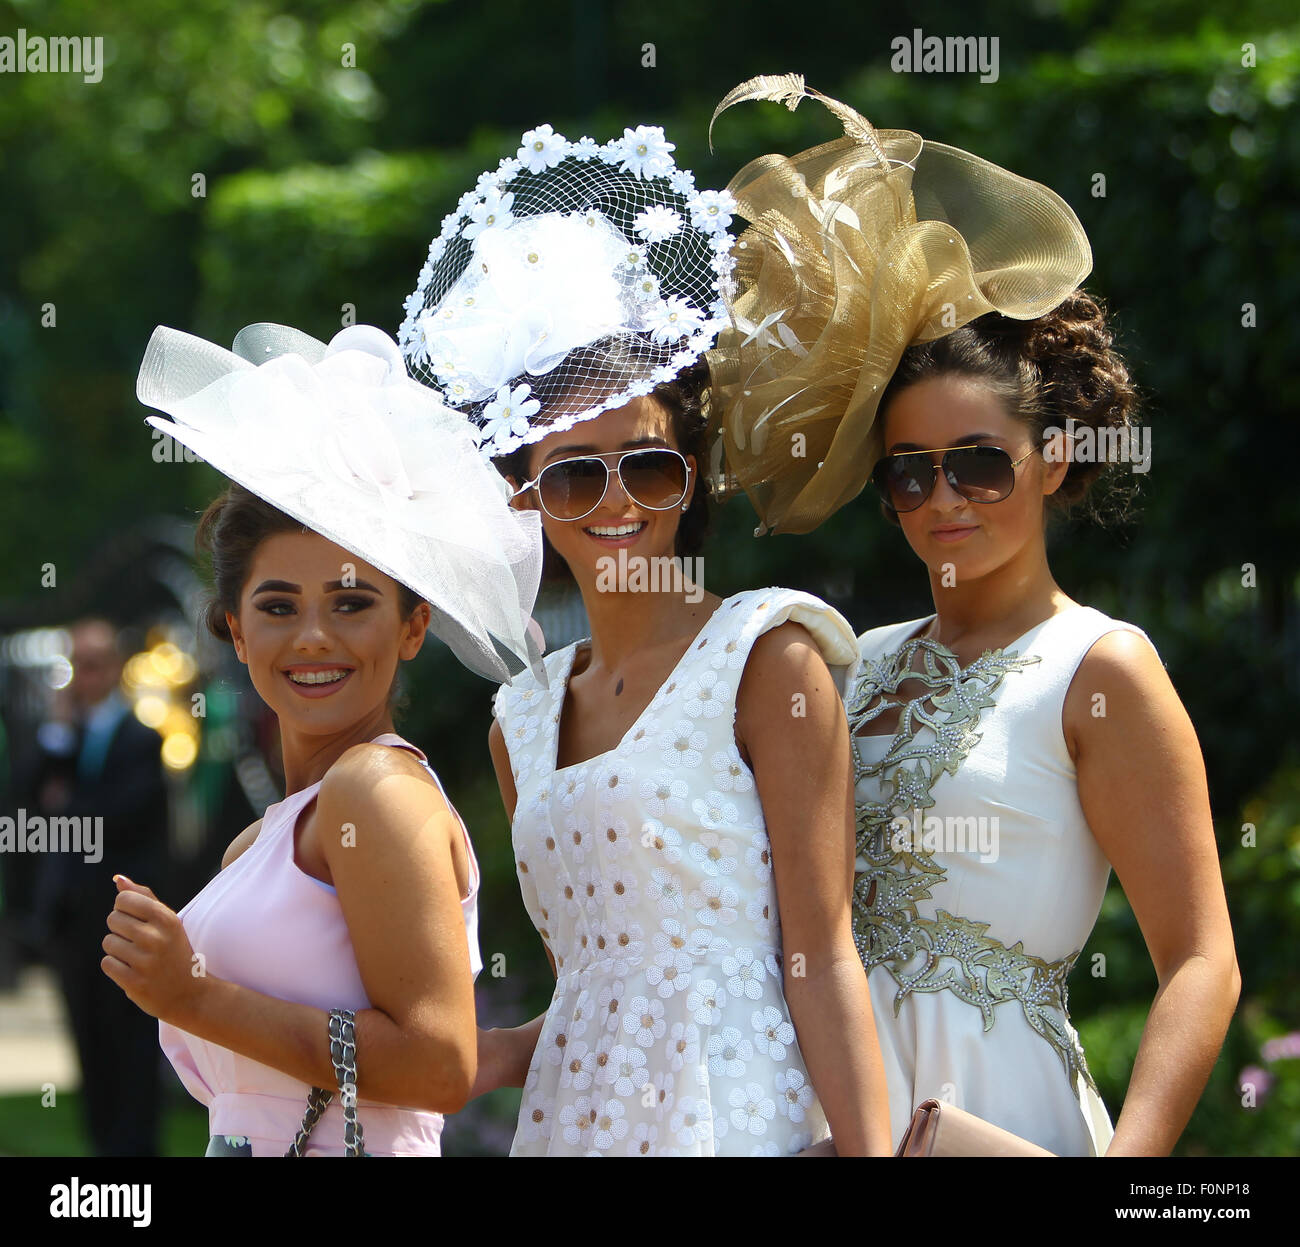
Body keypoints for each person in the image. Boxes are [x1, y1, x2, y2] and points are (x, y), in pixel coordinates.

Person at [706, 79, 1240, 1154]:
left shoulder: (1099, 666)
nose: (943, 498)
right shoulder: (848, 662)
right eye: (910, 472)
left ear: (1055, 460)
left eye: (979, 463)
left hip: (1002, 1114)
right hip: (822, 1115)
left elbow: (1202, 960)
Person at [399, 122, 892, 1155]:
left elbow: (822, 952)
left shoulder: (768, 657)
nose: (617, 501)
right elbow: (594, 980)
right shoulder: (520, 715)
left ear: (691, 475)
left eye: (649, 466)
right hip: (576, 1121)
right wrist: (450, 1054)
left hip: (739, 1113)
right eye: (576, 474)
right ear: (525, 498)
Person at [103, 322, 543, 1155]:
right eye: (278, 606)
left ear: (413, 626)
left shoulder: (377, 794)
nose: (312, 636)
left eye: (351, 603)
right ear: (237, 631)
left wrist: (192, 995)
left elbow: (436, 1063)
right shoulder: (255, 844)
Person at [26, 618, 168, 1155]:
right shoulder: (65, 737)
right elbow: (27, 802)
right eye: (77, 665)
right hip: (71, 921)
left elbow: (121, 816)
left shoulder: (141, 738)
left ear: (114, 667)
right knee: (88, 1045)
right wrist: (58, 733)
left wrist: (67, 809)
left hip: (120, 921)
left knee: (130, 1042)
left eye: (94, 664)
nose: (85, 677)